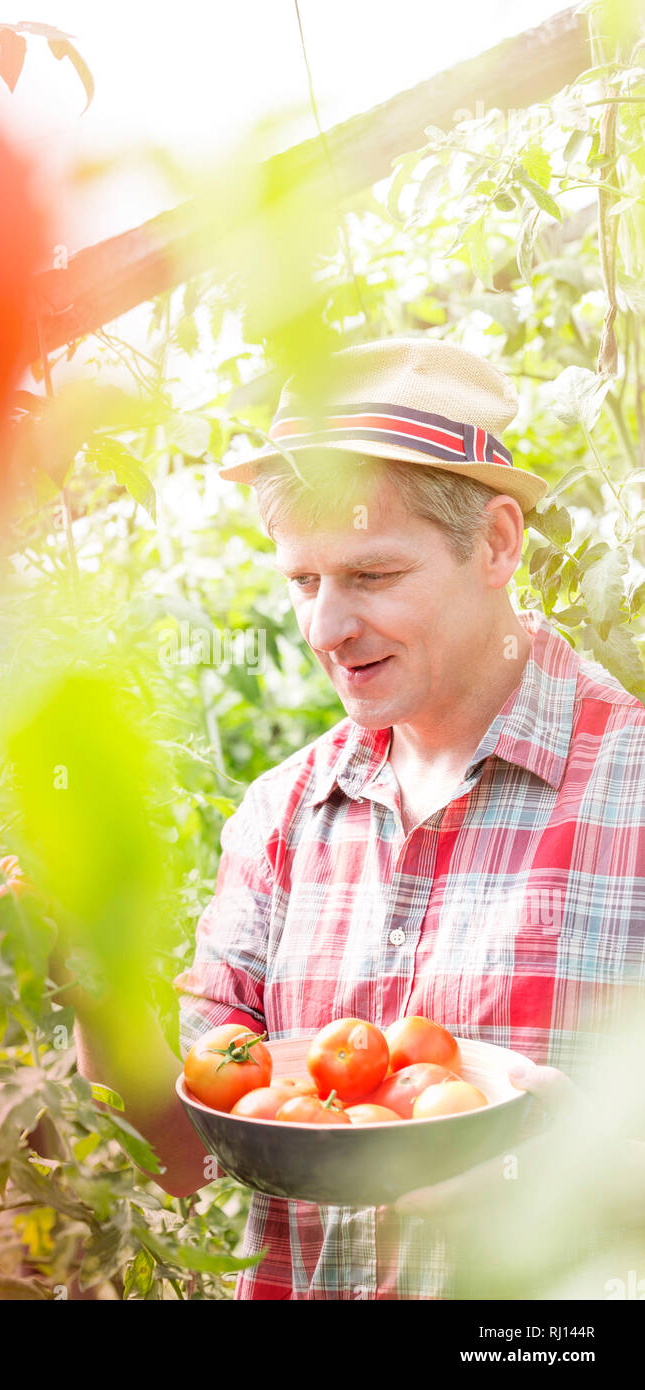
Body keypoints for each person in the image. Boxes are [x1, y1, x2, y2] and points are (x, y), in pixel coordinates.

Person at [72, 336, 645, 1299]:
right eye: (305, 580)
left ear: (497, 543)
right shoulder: (284, 817)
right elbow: (186, 1157)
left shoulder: (627, 794)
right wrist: (95, 982)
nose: (326, 629)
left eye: (372, 576)